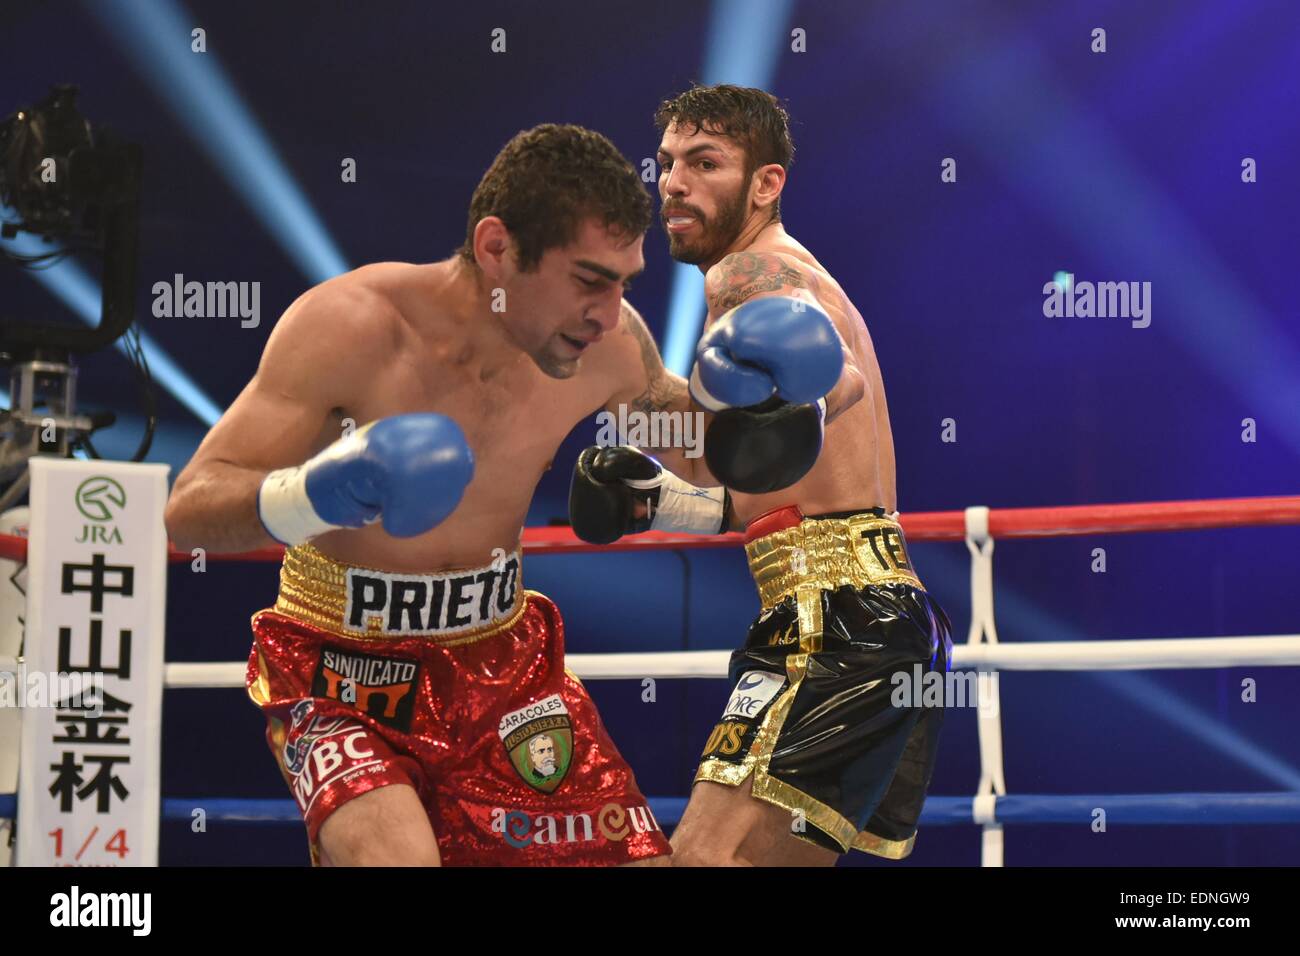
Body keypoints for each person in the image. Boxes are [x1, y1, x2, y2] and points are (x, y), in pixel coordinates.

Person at [164, 123, 713, 866]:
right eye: (588, 280)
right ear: (497, 249)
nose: (610, 312)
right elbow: (192, 509)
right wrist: (313, 495)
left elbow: (715, 460)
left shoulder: (610, 349)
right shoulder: (353, 326)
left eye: (624, 283)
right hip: (340, 669)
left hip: (505, 668)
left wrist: (788, 401)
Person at [568, 85, 953, 866]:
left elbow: (828, 379)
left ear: (766, 183)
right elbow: (751, 472)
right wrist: (657, 495)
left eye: (705, 163)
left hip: (832, 620)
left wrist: (819, 386)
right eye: (668, 163)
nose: (674, 183)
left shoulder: (749, 272)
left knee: (702, 859)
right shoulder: (791, 279)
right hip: (881, 616)